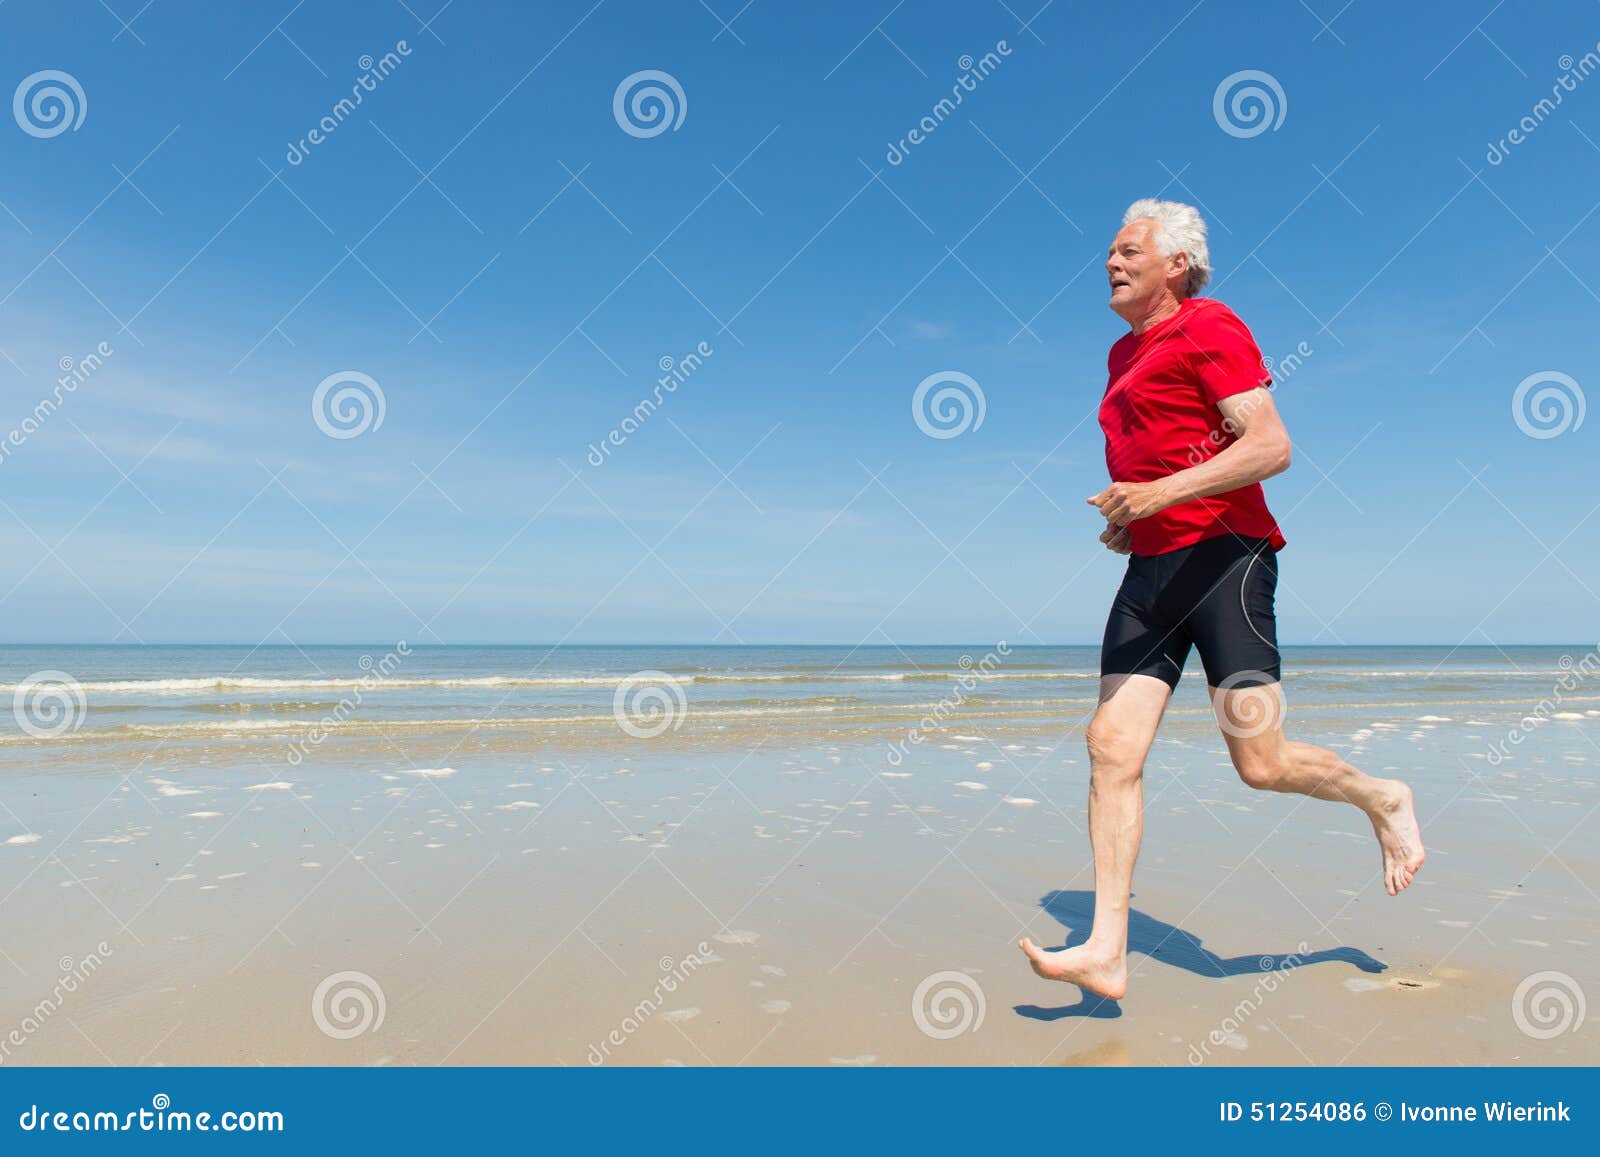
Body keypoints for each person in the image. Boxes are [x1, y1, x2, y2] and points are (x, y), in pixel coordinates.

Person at [1018, 199, 1424, 1001]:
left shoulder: (1209, 325)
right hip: (1151, 574)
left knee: (1260, 763)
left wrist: (1158, 492)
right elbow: (1156, 467)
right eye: (1109, 249)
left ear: (1176, 265)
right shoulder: (1118, 356)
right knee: (1110, 746)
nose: (1111, 260)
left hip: (1226, 563)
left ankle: (1383, 796)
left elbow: (1270, 445)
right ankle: (1106, 945)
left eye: (1129, 249)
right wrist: (1134, 522)